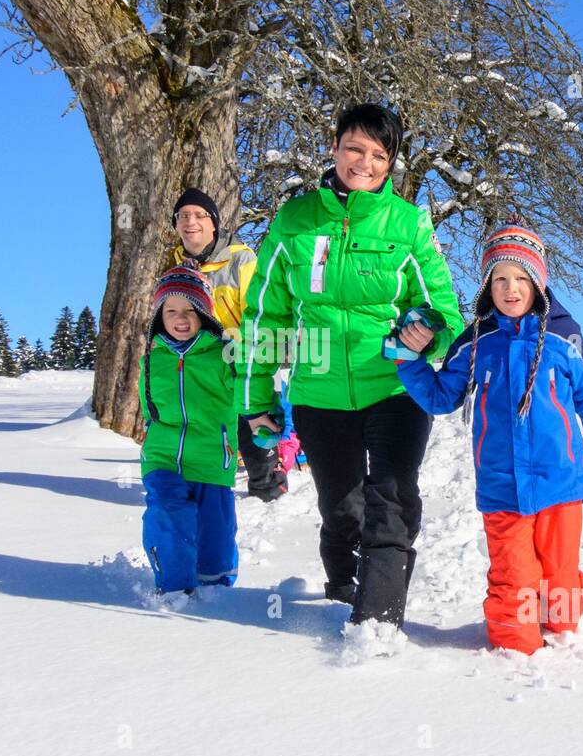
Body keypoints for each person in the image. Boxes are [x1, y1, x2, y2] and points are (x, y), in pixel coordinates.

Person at [236, 103, 463, 627]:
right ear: (334, 147)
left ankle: (377, 624)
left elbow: (445, 311)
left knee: (392, 499)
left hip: (394, 389)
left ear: (391, 165)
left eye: (379, 155)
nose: (365, 162)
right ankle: (342, 582)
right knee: (342, 509)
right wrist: (257, 401)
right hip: (319, 394)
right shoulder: (295, 220)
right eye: (355, 148)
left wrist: (428, 331)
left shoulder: (407, 225)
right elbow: (263, 315)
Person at [393, 223, 583, 653]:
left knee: (560, 569)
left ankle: (563, 636)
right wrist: (411, 361)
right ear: (487, 286)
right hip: (502, 483)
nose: (511, 288)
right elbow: (441, 397)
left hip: (561, 480)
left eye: (521, 278)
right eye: (500, 278)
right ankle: (513, 648)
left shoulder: (562, 339)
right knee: (513, 574)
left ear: (538, 284)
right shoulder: (475, 344)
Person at [166, 187, 288, 503]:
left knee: (250, 425)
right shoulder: (177, 269)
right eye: (183, 216)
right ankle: (203, 487)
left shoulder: (241, 260)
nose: (190, 222)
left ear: (214, 223)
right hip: (196, 365)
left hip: (239, 357)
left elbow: (261, 311)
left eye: (198, 215)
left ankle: (267, 485)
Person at [137, 266, 240, 597]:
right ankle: (174, 587)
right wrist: (151, 433)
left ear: (204, 314)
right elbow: (148, 402)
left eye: (189, 310)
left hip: (212, 455)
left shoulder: (226, 353)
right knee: (166, 512)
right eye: (170, 311)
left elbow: (249, 395)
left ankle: (215, 592)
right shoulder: (153, 358)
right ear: (160, 316)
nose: (180, 318)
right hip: (163, 455)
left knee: (215, 536)